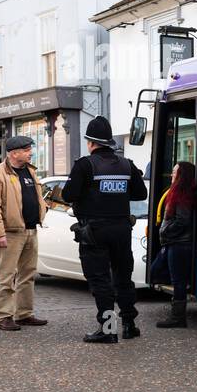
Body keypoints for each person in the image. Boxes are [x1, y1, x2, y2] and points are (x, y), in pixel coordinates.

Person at [60, 116, 147, 344]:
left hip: (95, 231)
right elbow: (141, 194)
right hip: (121, 229)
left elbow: (68, 195)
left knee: (101, 281)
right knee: (123, 279)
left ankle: (108, 329)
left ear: (91, 143)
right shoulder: (127, 164)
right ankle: (129, 324)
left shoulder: (85, 165)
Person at [0, 135, 48, 331]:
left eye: (30, 149)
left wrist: (42, 208)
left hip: (31, 230)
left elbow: (33, 197)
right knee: (6, 276)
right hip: (10, 233)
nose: (31, 153)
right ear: (13, 153)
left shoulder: (30, 171)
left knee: (27, 275)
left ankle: (24, 314)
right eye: (27, 150)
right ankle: (4, 316)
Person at [149, 161, 197, 329]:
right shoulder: (176, 192)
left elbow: (182, 220)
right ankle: (177, 314)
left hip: (178, 243)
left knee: (178, 280)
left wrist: (167, 232)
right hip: (173, 243)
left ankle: (178, 317)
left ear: (181, 176)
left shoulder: (182, 194)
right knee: (156, 271)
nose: (171, 175)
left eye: (175, 172)